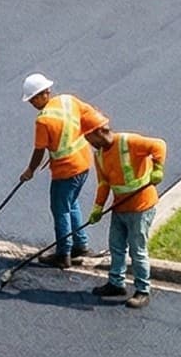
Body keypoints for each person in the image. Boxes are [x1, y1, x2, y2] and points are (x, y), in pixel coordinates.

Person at [17, 73, 108, 267]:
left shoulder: (43, 120)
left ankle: (63, 253)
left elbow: (39, 150)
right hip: (84, 162)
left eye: (33, 99)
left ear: (44, 94)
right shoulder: (68, 100)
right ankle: (80, 245)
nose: (32, 103)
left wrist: (29, 171)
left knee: (60, 209)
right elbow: (93, 117)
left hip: (66, 170)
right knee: (71, 203)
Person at [86, 123, 167, 307]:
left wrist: (158, 168)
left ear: (98, 132)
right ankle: (116, 283)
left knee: (137, 250)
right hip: (120, 207)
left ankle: (142, 290)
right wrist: (98, 207)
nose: (88, 142)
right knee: (116, 246)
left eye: (88, 138)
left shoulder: (128, 141)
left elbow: (159, 145)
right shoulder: (98, 155)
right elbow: (104, 183)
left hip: (141, 206)